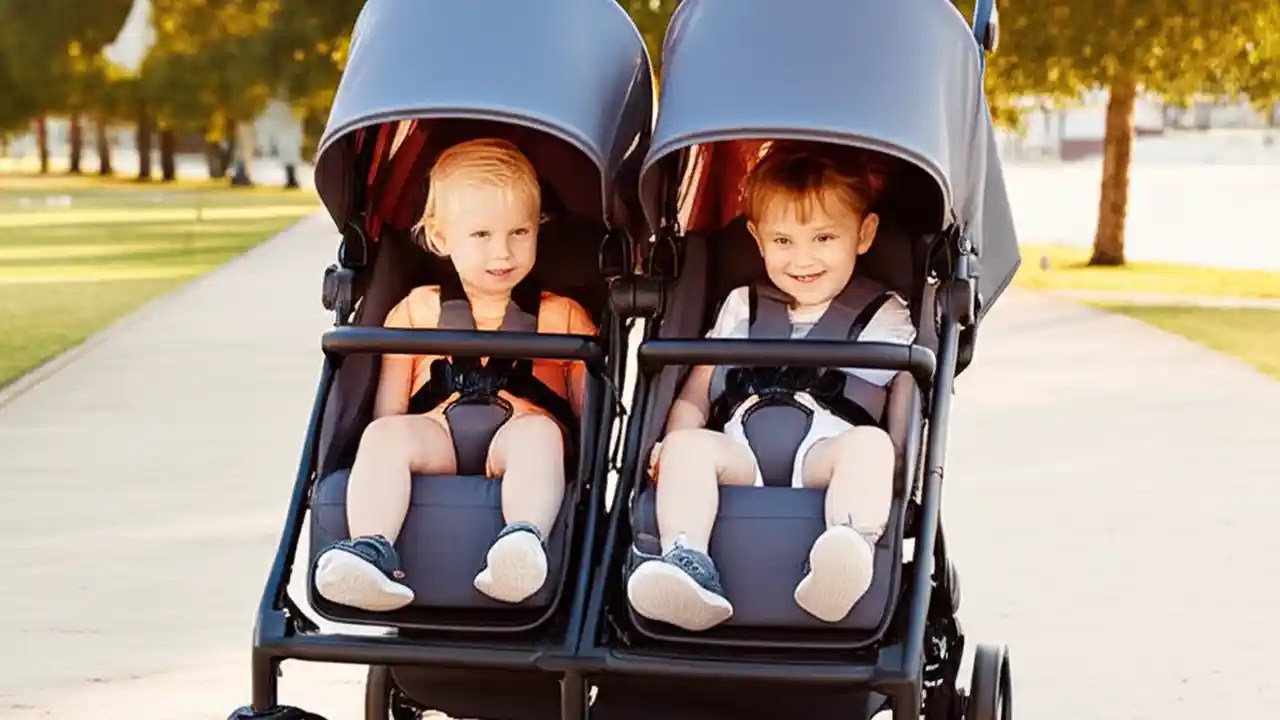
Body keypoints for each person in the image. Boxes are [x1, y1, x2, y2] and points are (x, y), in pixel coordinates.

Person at [627, 141, 915, 631]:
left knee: (871, 446)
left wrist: (894, 463)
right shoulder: (742, 306)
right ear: (758, 241)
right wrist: (671, 442)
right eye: (783, 242)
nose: (802, 259)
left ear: (864, 234)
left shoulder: (883, 315)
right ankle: (688, 563)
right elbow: (699, 390)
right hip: (742, 452)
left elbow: (901, 404)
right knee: (688, 449)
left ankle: (846, 551)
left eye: (824, 238)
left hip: (824, 453)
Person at [314, 138, 596, 611]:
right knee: (385, 435)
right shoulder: (416, 311)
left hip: (521, 436)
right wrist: (392, 436)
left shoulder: (564, 316)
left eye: (520, 233)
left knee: (540, 437)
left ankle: (522, 544)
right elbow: (391, 406)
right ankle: (371, 549)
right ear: (442, 239)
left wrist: (581, 463)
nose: (503, 252)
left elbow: (589, 420)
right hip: (438, 434)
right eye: (481, 235)